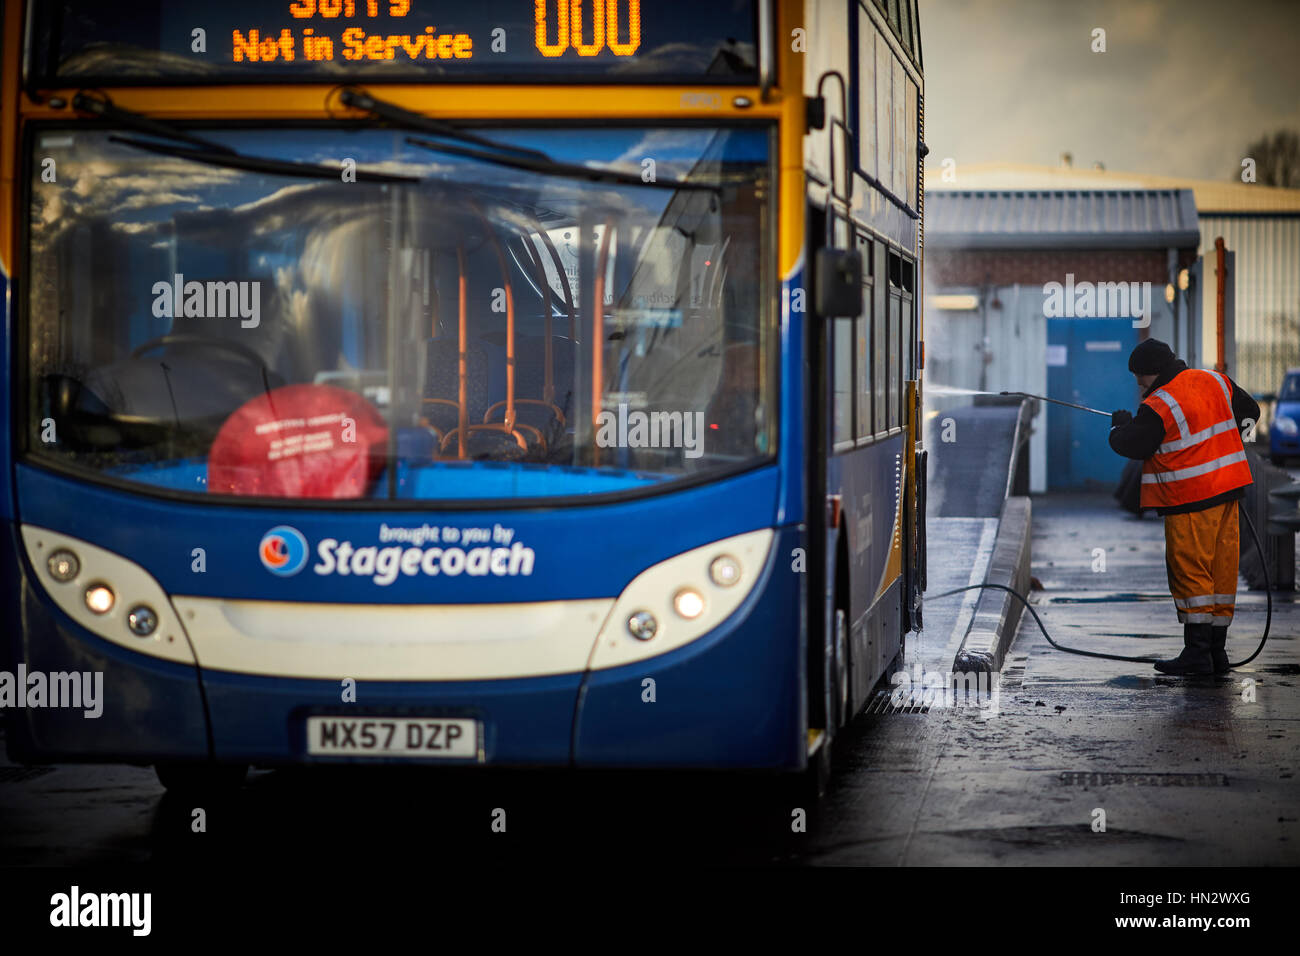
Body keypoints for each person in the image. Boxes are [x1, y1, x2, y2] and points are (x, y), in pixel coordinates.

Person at [1108, 339, 1259, 675]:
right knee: (1221, 572)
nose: (1138, 384)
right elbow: (1250, 412)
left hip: (1189, 499)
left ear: (1153, 372)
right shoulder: (1215, 381)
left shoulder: (1160, 403)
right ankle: (1216, 653)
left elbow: (1135, 444)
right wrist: (1233, 442)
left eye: (1140, 376)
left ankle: (1196, 654)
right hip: (1228, 495)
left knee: (1191, 572)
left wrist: (1119, 427)